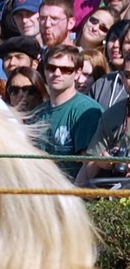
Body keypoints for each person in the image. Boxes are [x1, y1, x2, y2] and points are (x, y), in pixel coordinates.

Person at [34, 43, 102, 175]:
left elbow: (89, 166)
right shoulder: (37, 113)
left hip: (73, 191)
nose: (57, 73)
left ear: (77, 73)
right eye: (51, 68)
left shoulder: (86, 111)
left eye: (65, 69)